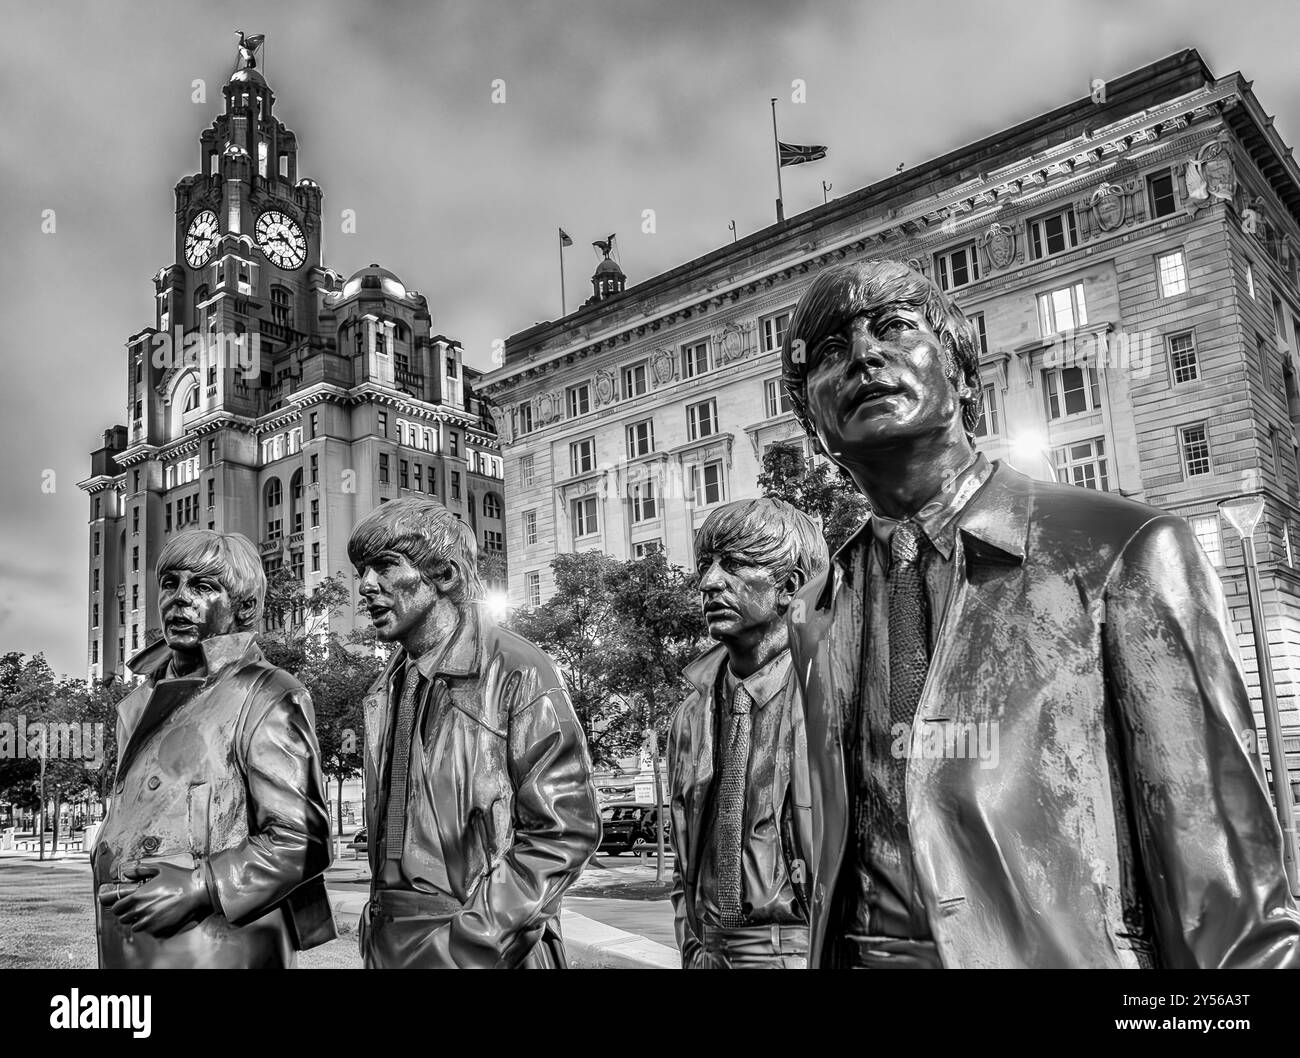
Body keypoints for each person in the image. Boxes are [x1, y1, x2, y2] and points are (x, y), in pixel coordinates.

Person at [780, 257, 1300, 969]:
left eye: (895, 328)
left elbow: (1226, 899)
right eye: (832, 352)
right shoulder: (816, 609)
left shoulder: (1123, 549)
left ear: (962, 374)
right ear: (814, 426)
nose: (865, 355)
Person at [349, 496, 600, 968]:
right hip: (392, 944)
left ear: (444, 575)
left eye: (384, 566)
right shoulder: (385, 690)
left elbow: (564, 830)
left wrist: (473, 938)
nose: (365, 585)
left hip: (486, 950)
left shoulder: (516, 670)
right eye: (362, 570)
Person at [92, 529, 334, 968]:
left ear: (244, 607)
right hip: (135, 943)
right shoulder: (142, 699)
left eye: (203, 587)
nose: (179, 599)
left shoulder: (268, 693)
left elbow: (304, 839)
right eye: (170, 583)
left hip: (219, 946)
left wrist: (202, 885)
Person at [668, 498, 827, 968]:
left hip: (803, 949)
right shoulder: (690, 713)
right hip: (707, 949)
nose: (709, 582)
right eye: (707, 565)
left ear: (790, 586)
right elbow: (682, 855)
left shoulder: (834, 697)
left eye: (734, 565)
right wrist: (692, 942)